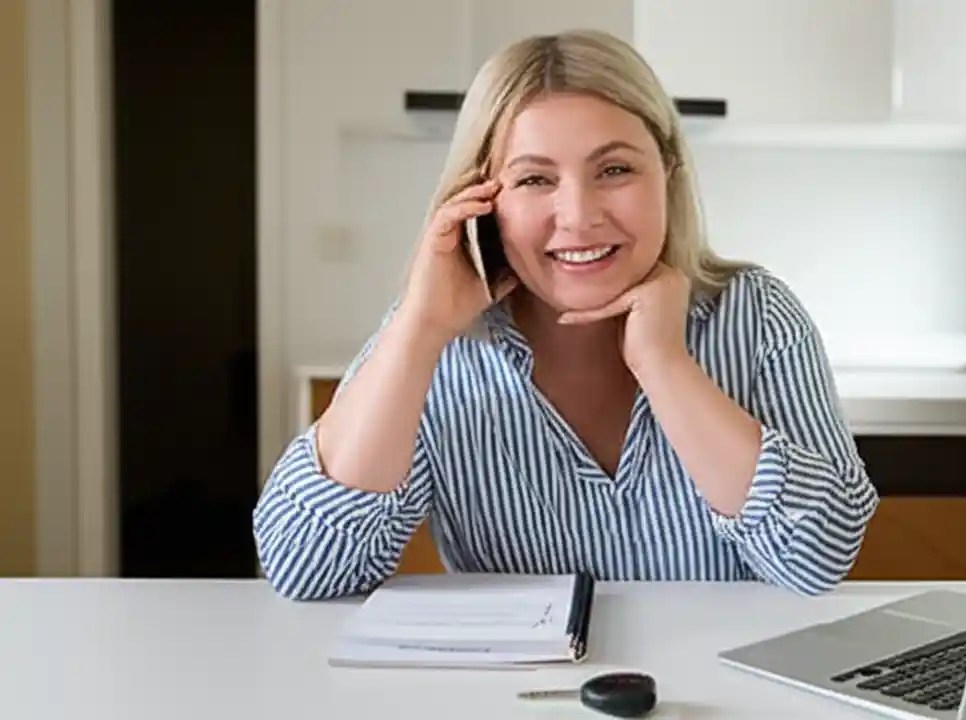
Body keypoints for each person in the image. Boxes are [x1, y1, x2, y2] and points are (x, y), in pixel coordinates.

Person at [252, 29, 879, 601]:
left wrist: (664, 363)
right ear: (482, 198)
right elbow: (308, 570)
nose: (578, 216)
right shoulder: (433, 339)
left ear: (668, 172)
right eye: (533, 180)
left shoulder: (757, 316)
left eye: (614, 170)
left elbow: (818, 558)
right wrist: (417, 330)